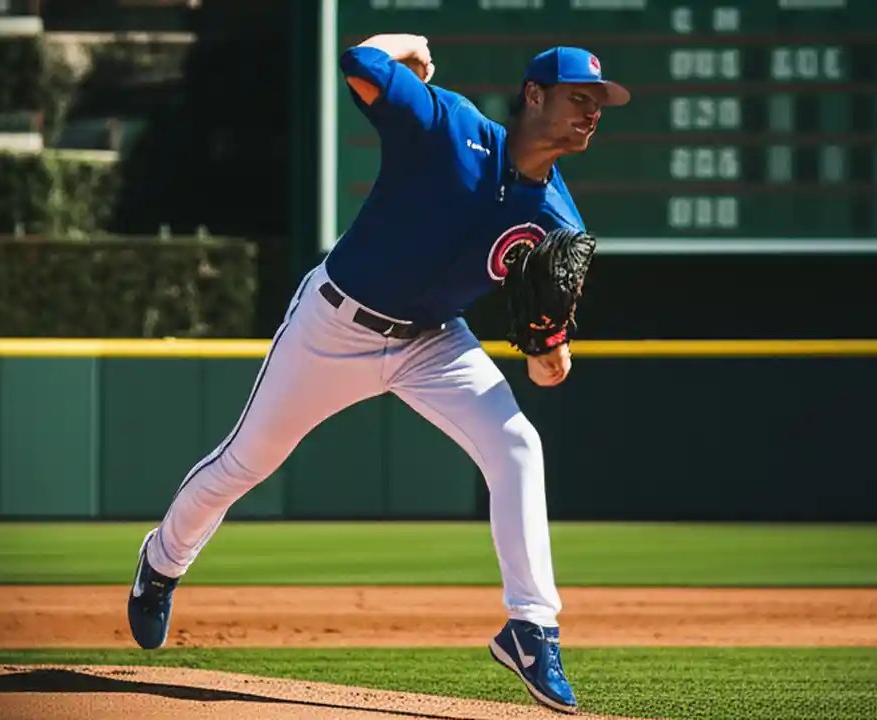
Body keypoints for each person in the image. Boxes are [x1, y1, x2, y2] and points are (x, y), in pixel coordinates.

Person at [126, 33, 629, 714]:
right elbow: (357, 63)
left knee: (518, 445)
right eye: (579, 97)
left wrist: (549, 347)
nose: (592, 111)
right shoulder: (447, 124)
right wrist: (406, 50)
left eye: (599, 103)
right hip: (334, 323)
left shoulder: (558, 220)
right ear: (533, 95)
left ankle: (532, 628)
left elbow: (545, 367)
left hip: (434, 342)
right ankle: (161, 563)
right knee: (244, 463)